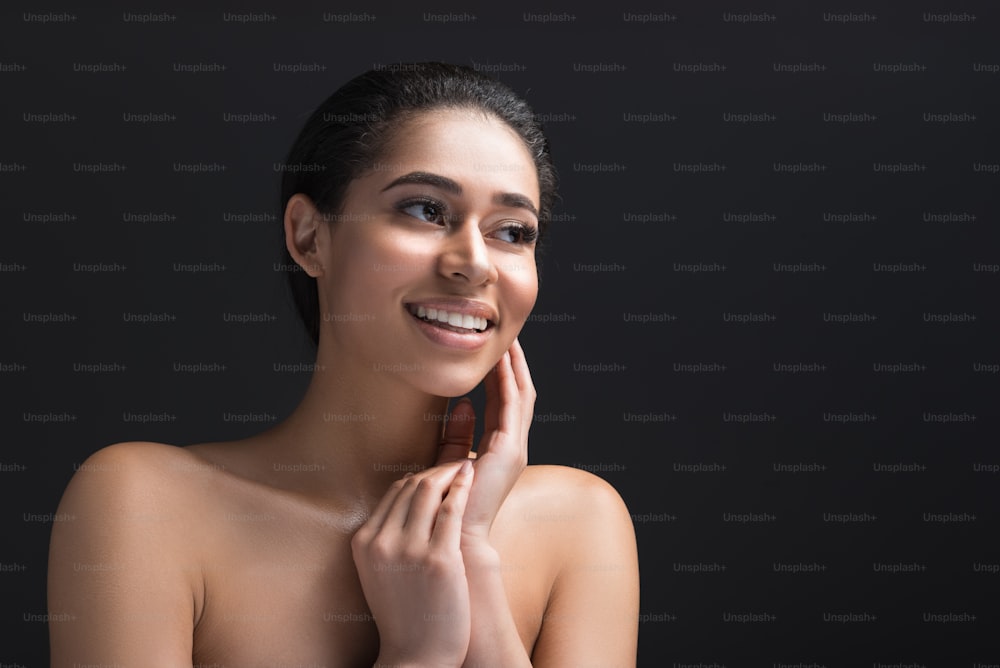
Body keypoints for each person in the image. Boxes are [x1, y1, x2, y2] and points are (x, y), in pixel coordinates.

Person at [47, 62, 639, 667]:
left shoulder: (580, 523)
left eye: (513, 231)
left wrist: (475, 581)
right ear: (309, 237)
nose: (475, 262)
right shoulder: (145, 504)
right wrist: (418, 654)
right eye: (426, 210)